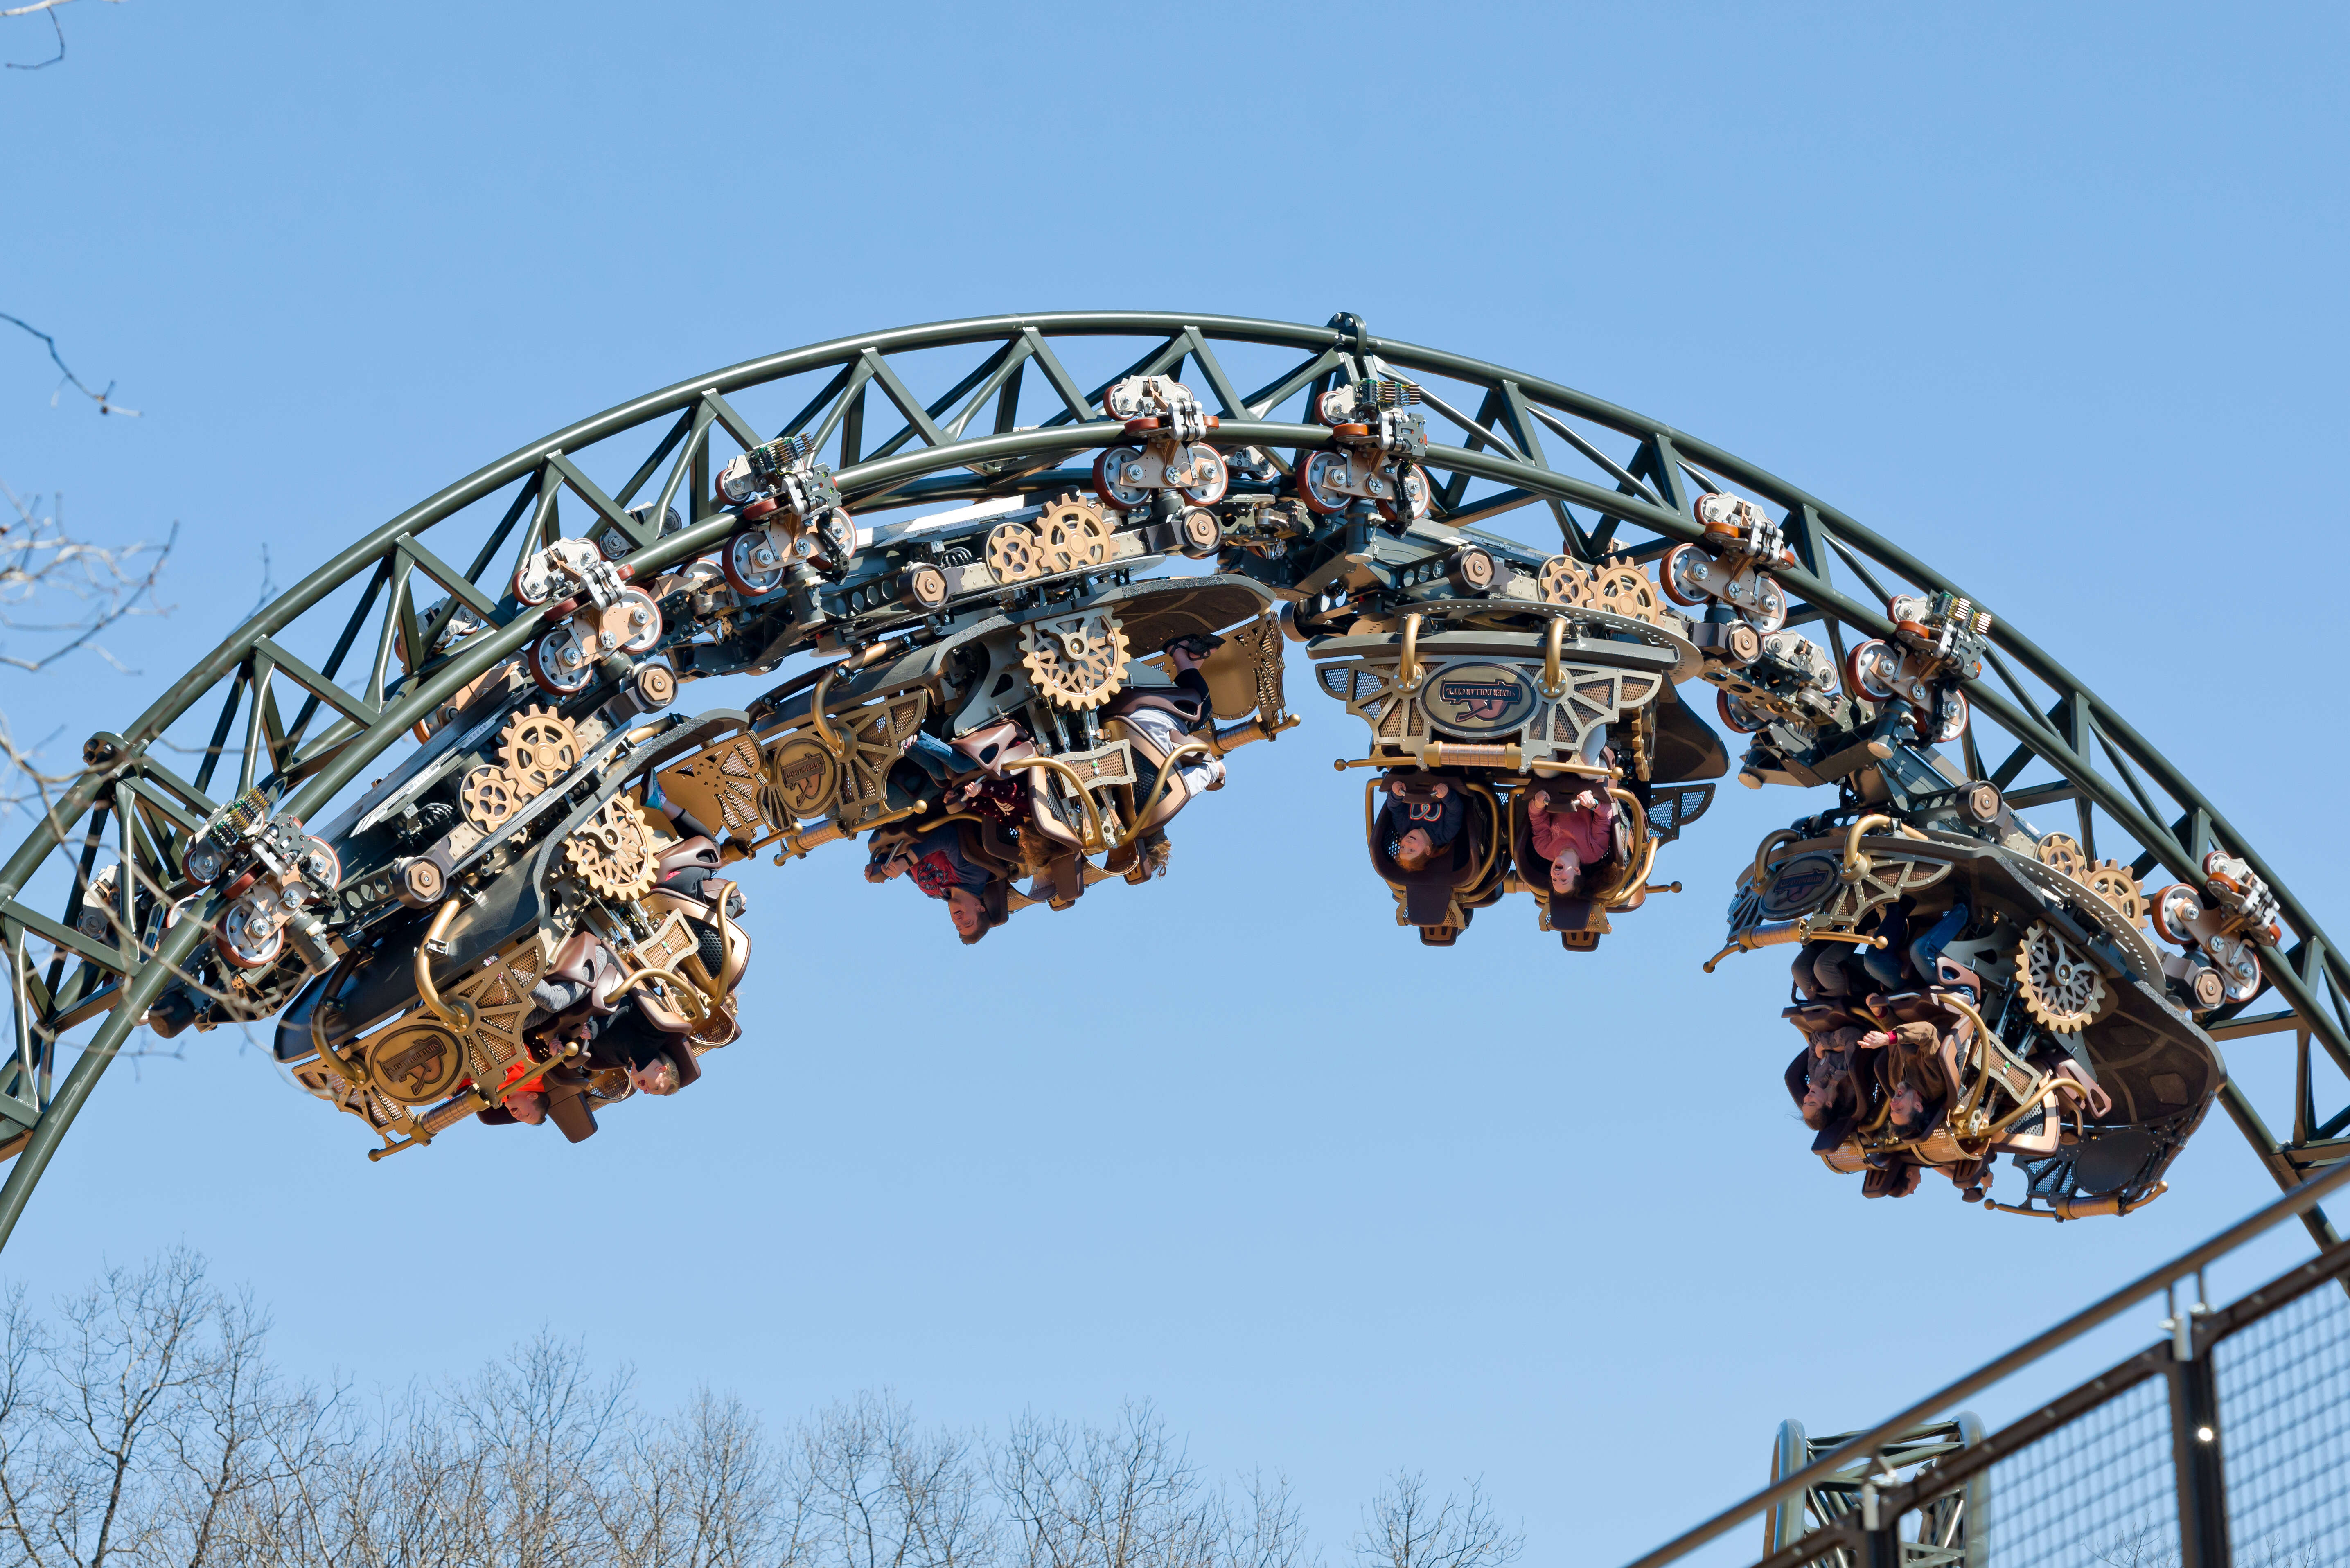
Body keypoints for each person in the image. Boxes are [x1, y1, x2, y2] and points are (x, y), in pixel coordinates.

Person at [1527, 775, 1616, 897]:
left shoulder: (1544, 849)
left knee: (1544, 771)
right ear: (1577, 871)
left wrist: (1537, 804)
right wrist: (1593, 804)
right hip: (1588, 783)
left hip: (1552, 782)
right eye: (1564, 880)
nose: (1557, 876)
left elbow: (1537, 819)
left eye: (1554, 880)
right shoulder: (1594, 852)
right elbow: (1606, 816)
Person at [1377, 778, 1463, 873]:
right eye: (1412, 850)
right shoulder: (1444, 834)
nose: (1407, 844)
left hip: (1414, 780)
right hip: (1446, 781)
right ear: (1427, 850)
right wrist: (1447, 796)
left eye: (1403, 848)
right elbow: (1456, 811)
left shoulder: (1403, 827)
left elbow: (1395, 808)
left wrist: (1397, 795)